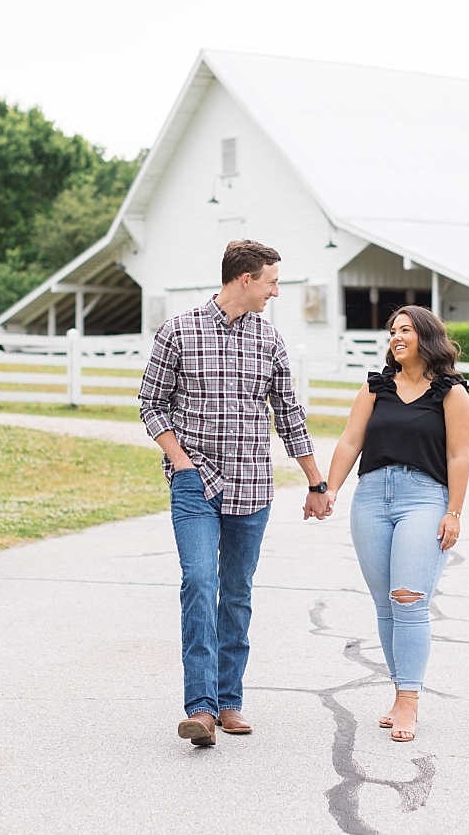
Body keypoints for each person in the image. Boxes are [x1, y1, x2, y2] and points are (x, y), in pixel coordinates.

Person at [140, 239, 330, 747]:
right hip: (195, 482)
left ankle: (229, 700)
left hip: (252, 485)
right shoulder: (179, 330)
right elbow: (151, 403)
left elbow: (289, 415)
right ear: (245, 279)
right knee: (200, 582)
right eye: (272, 282)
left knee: (237, 593)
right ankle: (200, 709)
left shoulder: (269, 339)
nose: (275, 292)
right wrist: (181, 461)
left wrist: (316, 482)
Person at [321, 305, 469, 742]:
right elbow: (351, 440)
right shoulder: (376, 387)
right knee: (386, 604)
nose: (396, 337)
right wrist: (330, 489)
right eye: (392, 331)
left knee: (409, 599)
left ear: (427, 336)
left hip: (424, 498)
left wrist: (454, 511)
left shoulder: (451, 393)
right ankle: (400, 691)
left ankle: (409, 702)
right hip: (371, 497)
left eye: (405, 330)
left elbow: (459, 456)